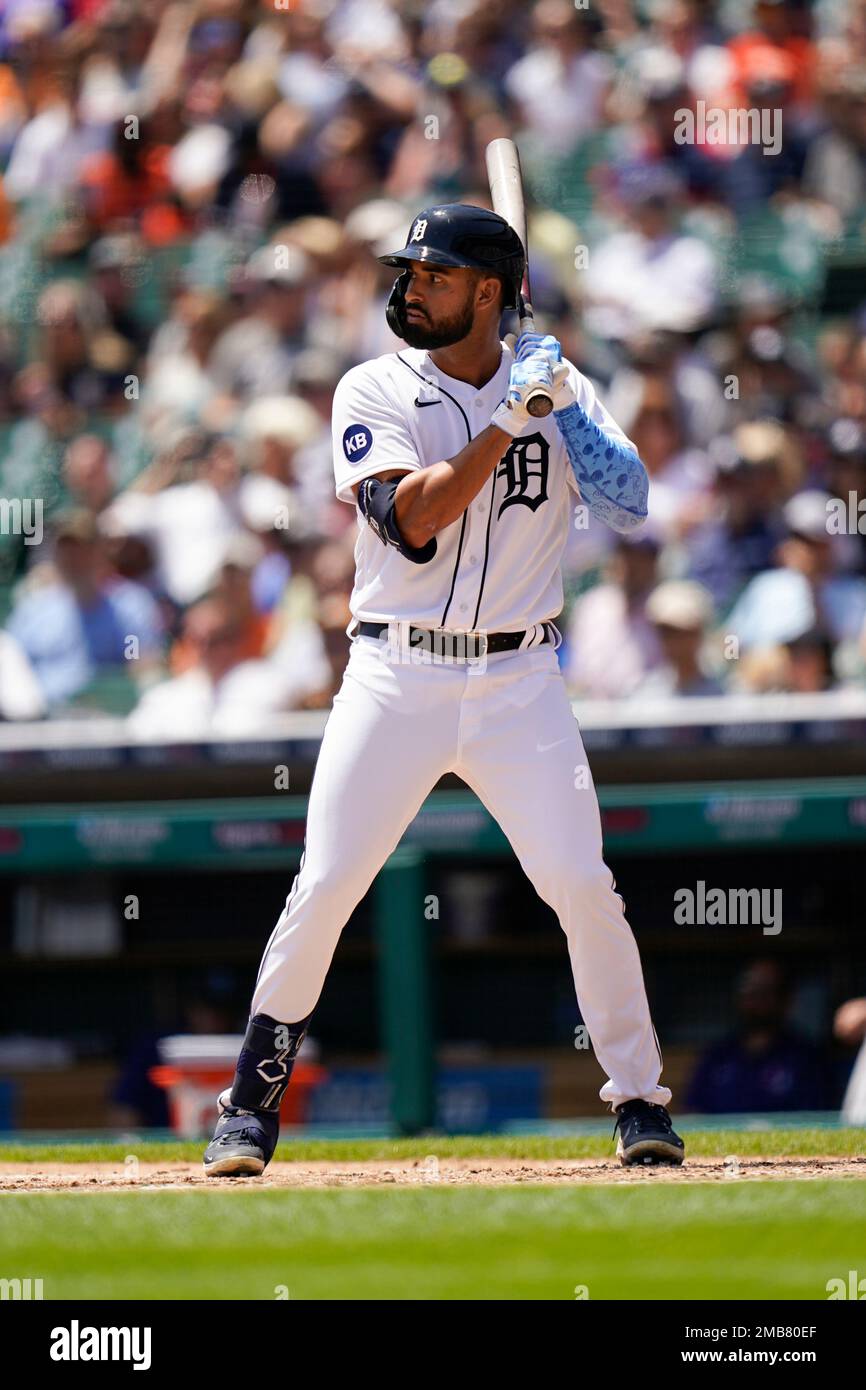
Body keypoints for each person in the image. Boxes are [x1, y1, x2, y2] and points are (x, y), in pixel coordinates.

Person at [203, 202, 684, 1177]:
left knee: (581, 885)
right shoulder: (371, 386)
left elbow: (630, 504)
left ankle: (638, 1098)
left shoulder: (553, 381)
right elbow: (407, 521)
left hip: (520, 677)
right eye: (408, 271)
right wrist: (511, 422)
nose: (408, 287)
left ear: (488, 293)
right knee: (329, 880)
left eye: (431, 274)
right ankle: (250, 1103)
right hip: (394, 671)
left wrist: (568, 412)